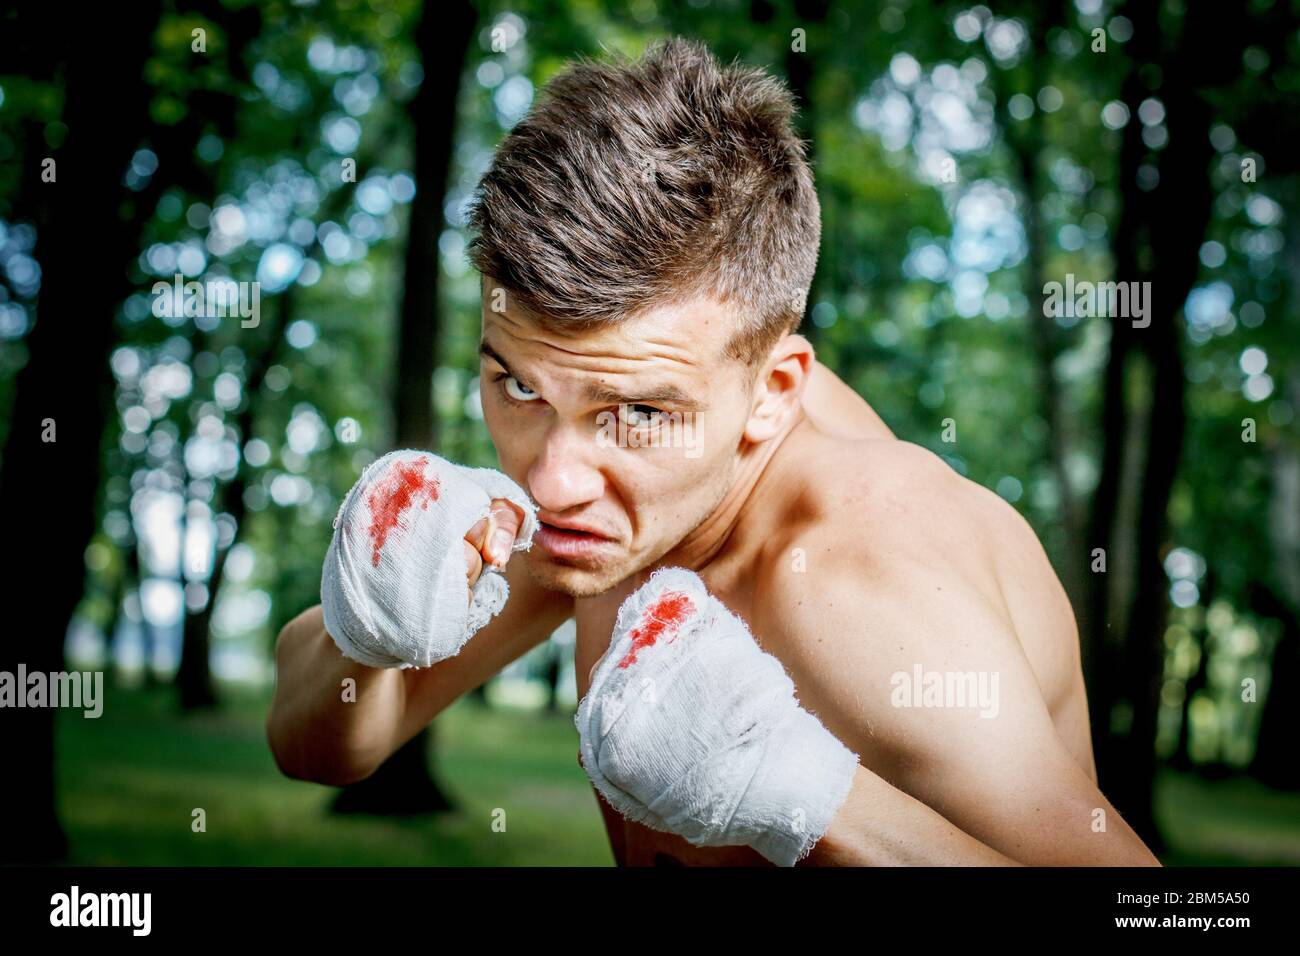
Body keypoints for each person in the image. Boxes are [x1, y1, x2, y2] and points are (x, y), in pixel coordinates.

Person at [267, 38, 1159, 867]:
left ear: (773, 394)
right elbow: (321, 746)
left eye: (641, 413)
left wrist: (814, 796)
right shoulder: (609, 501)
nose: (550, 479)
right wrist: (366, 633)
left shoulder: (863, 598)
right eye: (520, 387)